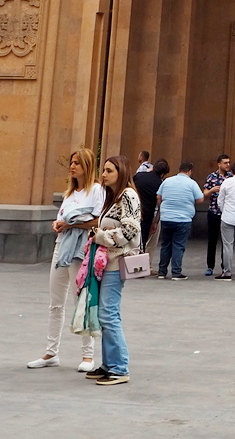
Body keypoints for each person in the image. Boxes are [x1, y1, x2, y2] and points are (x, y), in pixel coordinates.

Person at [27, 147, 104, 372]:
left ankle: (88, 355)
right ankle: (51, 351)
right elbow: (62, 217)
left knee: (81, 298)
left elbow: (97, 220)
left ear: (87, 166)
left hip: (81, 247)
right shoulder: (70, 193)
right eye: (71, 162)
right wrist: (58, 224)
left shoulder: (96, 190)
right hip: (62, 245)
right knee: (56, 301)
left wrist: (72, 224)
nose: (72, 166)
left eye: (77, 163)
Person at [87, 154, 142, 384]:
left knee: (108, 314)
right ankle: (109, 364)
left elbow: (131, 230)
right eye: (104, 170)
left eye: (109, 170)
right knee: (108, 313)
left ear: (121, 172)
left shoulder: (127, 195)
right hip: (107, 261)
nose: (104, 174)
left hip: (115, 260)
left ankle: (119, 368)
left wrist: (102, 236)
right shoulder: (114, 197)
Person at [155, 160, 204, 279]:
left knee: (165, 245)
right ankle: (176, 272)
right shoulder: (191, 183)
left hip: (166, 217)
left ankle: (162, 272)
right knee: (178, 245)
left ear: (179, 170)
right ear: (190, 171)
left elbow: (158, 196)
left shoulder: (167, 181)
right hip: (183, 219)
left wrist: (163, 208)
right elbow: (200, 199)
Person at [202, 153, 232, 275]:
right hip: (213, 211)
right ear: (219, 164)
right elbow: (204, 193)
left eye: (229, 162)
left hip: (226, 212)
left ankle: (225, 265)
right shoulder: (211, 177)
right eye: (225, 163)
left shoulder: (231, 177)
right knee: (212, 240)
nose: (228, 165)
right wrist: (211, 190)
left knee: (226, 241)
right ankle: (210, 266)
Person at [134, 158, 168, 251]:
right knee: (142, 241)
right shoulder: (160, 184)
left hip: (133, 210)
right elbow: (160, 203)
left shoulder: (139, 176)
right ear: (163, 174)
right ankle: (138, 263)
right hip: (147, 215)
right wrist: (155, 222)